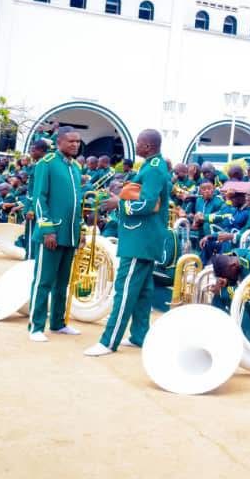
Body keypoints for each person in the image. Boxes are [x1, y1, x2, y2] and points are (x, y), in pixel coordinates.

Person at [86, 129, 170, 356]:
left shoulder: (153, 170)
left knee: (124, 290)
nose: (136, 145)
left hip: (140, 239)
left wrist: (118, 204)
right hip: (142, 238)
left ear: (149, 147)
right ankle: (139, 335)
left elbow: (148, 204)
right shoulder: (151, 166)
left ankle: (108, 341)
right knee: (142, 291)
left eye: (139, 143)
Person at [26, 129, 84, 341]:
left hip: (69, 234)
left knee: (62, 282)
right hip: (51, 233)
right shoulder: (47, 163)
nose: (75, 145)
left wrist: (81, 230)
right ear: (59, 142)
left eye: (78, 142)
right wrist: (47, 229)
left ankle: (58, 323)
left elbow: (78, 203)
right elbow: (39, 198)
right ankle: (36, 327)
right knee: (43, 281)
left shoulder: (75, 167)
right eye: (71, 141)